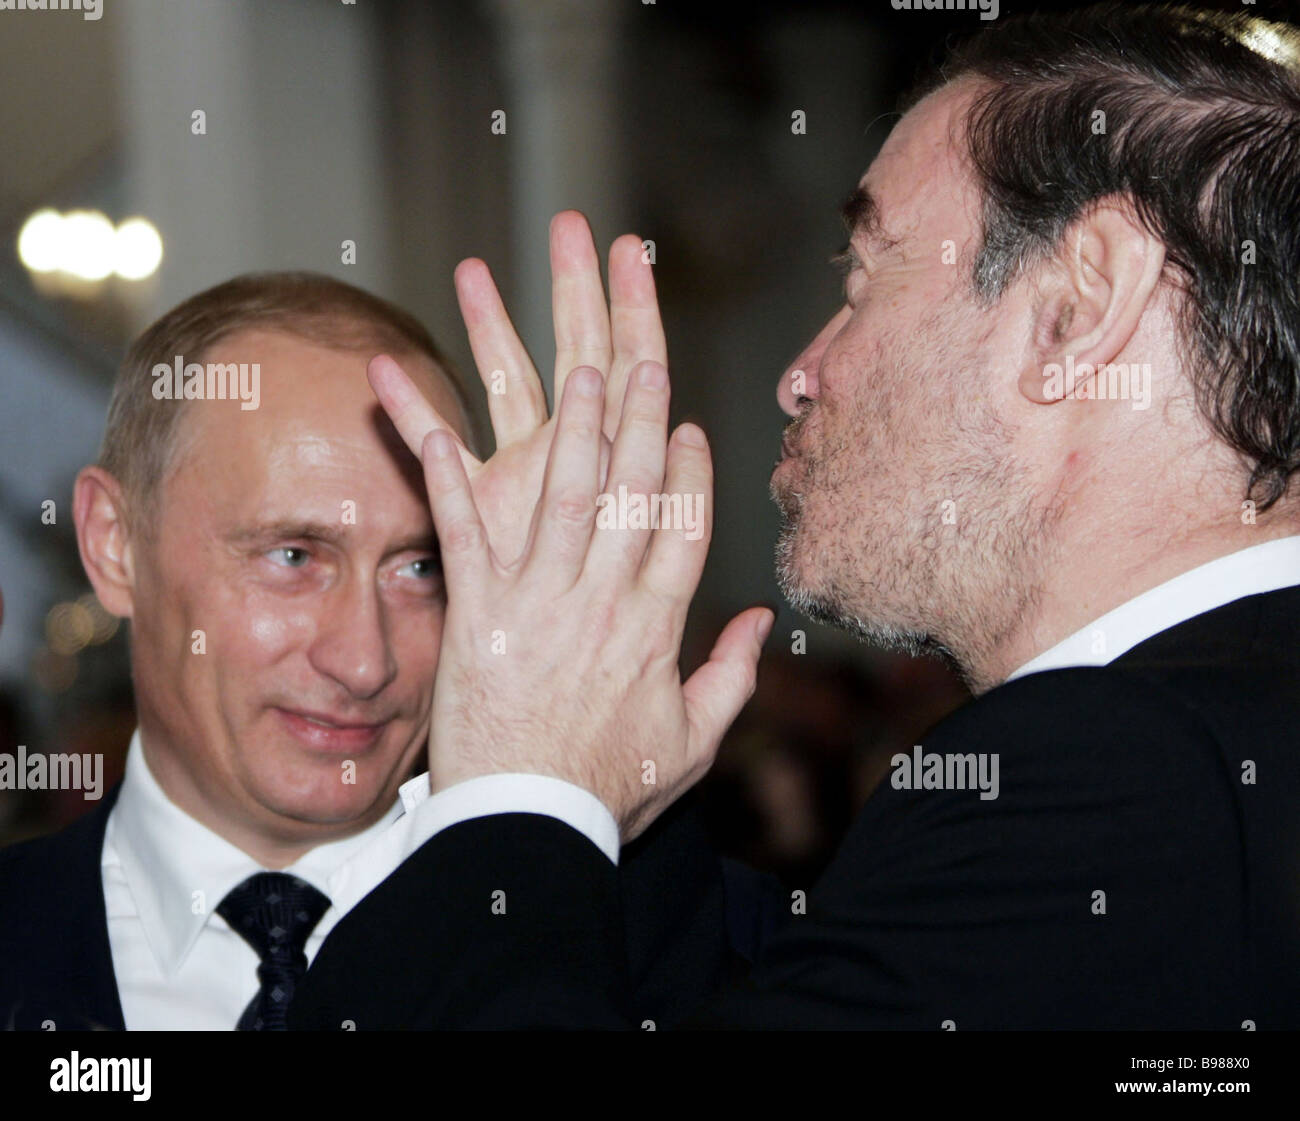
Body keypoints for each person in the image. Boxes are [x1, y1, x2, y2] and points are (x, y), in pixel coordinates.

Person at [290, 3, 1300, 1029]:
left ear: (1079, 307)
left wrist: (515, 788)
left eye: (864, 277)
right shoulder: (1206, 755)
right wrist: (598, 807)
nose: (799, 374)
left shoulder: (1118, 773)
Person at [0, 258, 771, 1031]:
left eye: (422, 566)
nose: (365, 662)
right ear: (114, 544)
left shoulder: (717, 950)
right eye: (293, 556)